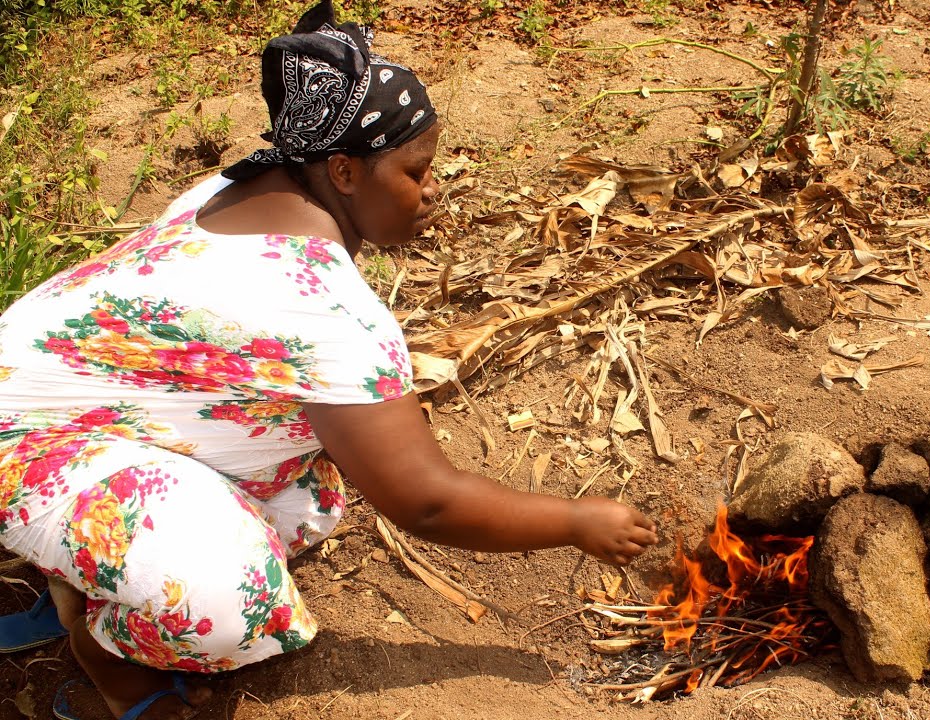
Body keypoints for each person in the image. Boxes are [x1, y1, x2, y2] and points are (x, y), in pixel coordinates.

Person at [0, 3, 659, 718]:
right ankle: (108, 654)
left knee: (307, 499)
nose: (433, 189)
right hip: (31, 442)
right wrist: (575, 521)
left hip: (81, 405)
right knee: (230, 607)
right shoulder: (325, 311)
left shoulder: (245, 187)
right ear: (343, 170)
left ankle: (77, 570)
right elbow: (426, 501)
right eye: (417, 171)